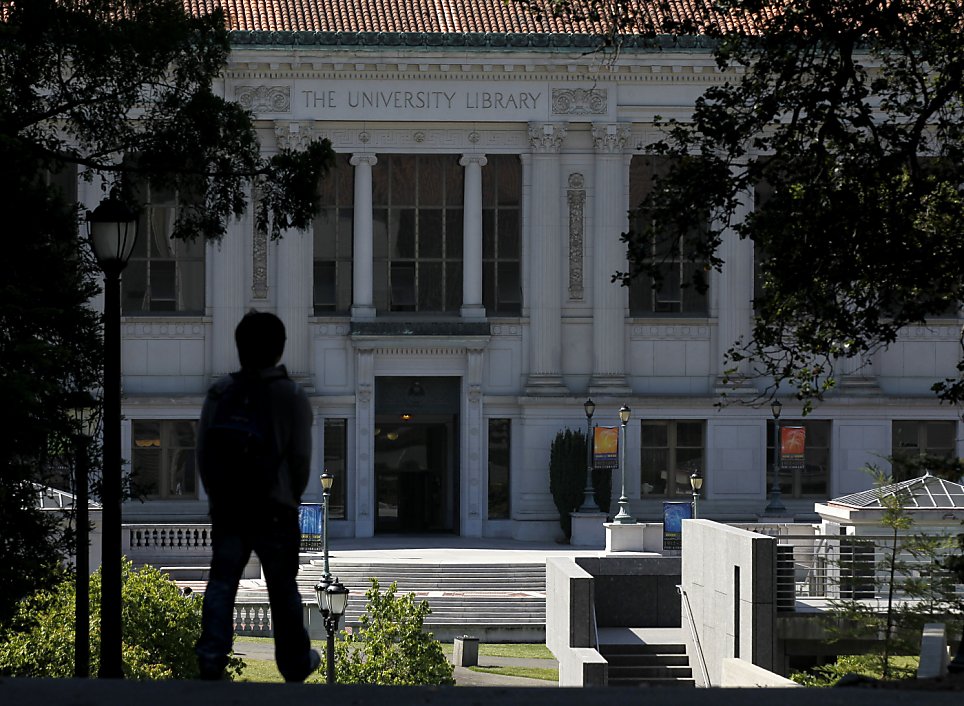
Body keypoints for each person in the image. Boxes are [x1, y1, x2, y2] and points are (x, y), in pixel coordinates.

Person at [195, 310, 319, 681]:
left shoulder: (220, 393)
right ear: (280, 349)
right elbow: (300, 458)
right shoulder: (291, 395)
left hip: (231, 506)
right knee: (283, 588)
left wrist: (219, 498)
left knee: (222, 581)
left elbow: (203, 452)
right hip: (275, 507)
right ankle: (293, 662)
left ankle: (211, 656)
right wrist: (290, 497)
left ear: (238, 347)